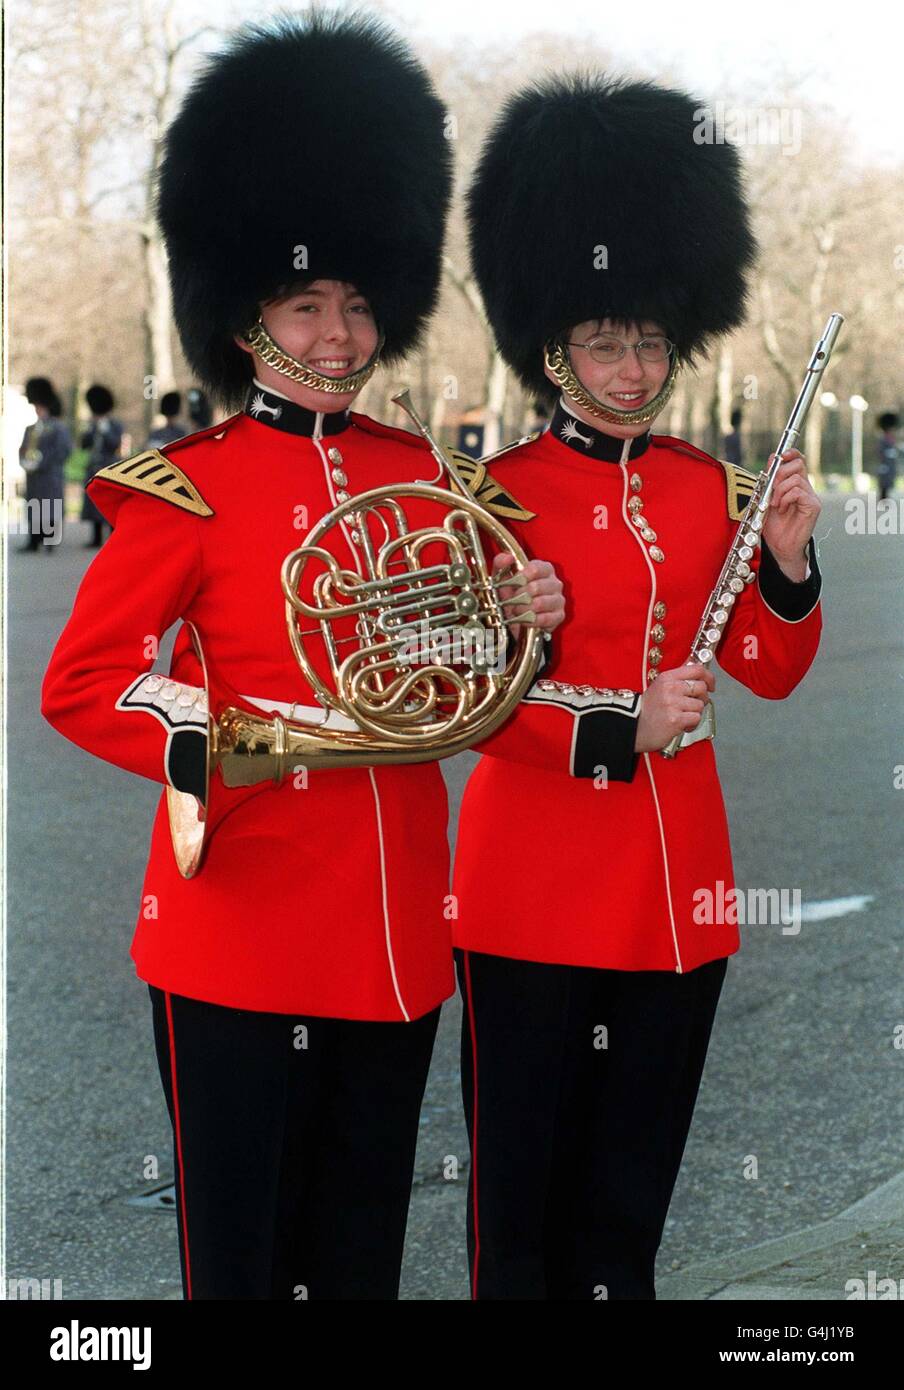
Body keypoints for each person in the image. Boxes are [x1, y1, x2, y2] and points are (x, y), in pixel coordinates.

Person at [41, 10, 562, 1302]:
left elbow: (466, 684)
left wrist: (520, 626)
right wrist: (210, 739)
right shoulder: (188, 488)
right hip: (240, 926)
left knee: (359, 1253)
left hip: (394, 932)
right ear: (240, 316)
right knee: (245, 1260)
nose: (337, 334)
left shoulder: (426, 480)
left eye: (356, 303)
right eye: (302, 302)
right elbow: (86, 679)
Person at [452, 74, 824, 1300]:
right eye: (605, 343)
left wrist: (782, 559)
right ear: (552, 345)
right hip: (530, 896)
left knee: (627, 1220)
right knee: (522, 1220)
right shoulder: (491, 497)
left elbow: (769, 670)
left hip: (677, 898)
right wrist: (615, 722)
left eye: (650, 340)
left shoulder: (702, 486)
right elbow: (466, 708)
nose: (631, 365)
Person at [19, 377, 70, 552]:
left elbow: (63, 450)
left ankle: (50, 540)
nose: (37, 410)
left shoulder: (58, 427)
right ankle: (33, 541)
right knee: (34, 506)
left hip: (50, 474)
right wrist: (25, 461)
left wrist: (42, 462)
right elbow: (23, 448)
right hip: (34, 476)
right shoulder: (31, 428)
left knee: (50, 506)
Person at [80, 384, 123, 547]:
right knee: (93, 503)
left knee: (110, 502)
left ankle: (113, 537)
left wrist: (104, 430)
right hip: (93, 466)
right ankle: (96, 538)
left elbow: (115, 444)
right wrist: (89, 430)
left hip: (109, 465)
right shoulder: (91, 425)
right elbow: (84, 445)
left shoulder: (115, 425)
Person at [876, 412, 899, 501]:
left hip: (891, 462)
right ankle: (883, 497)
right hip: (885, 462)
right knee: (884, 481)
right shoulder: (883, 438)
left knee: (889, 480)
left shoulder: (891, 437)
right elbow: (880, 450)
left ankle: (886, 497)